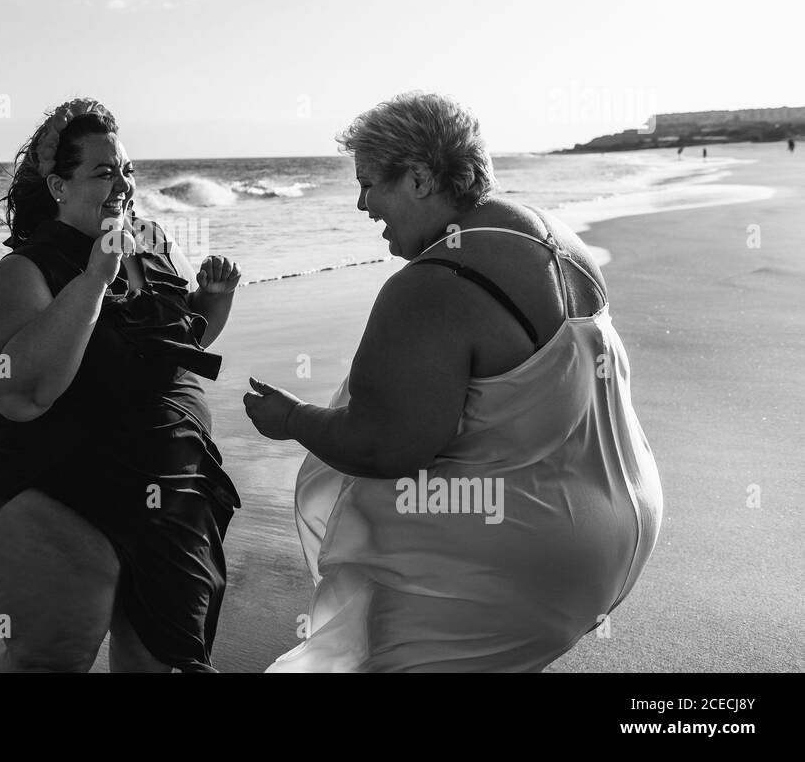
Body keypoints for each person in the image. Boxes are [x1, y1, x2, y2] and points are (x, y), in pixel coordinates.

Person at [243, 92, 663, 672]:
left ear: (418, 178)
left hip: (512, 564)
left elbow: (385, 446)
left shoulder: (437, 284)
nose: (362, 204)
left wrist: (292, 420)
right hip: (614, 530)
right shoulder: (555, 241)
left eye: (369, 184)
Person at [0, 98, 242, 673]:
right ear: (57, 186)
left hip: (170, 486)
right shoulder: (24, 271)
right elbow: (21, 394)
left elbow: (173, 348)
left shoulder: (150, 243)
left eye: (126, 168)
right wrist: (96, 277)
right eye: (103, 172)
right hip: (60, 489)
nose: (123, 183)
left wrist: (212, 303)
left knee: (161, 660)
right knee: (52, 655)